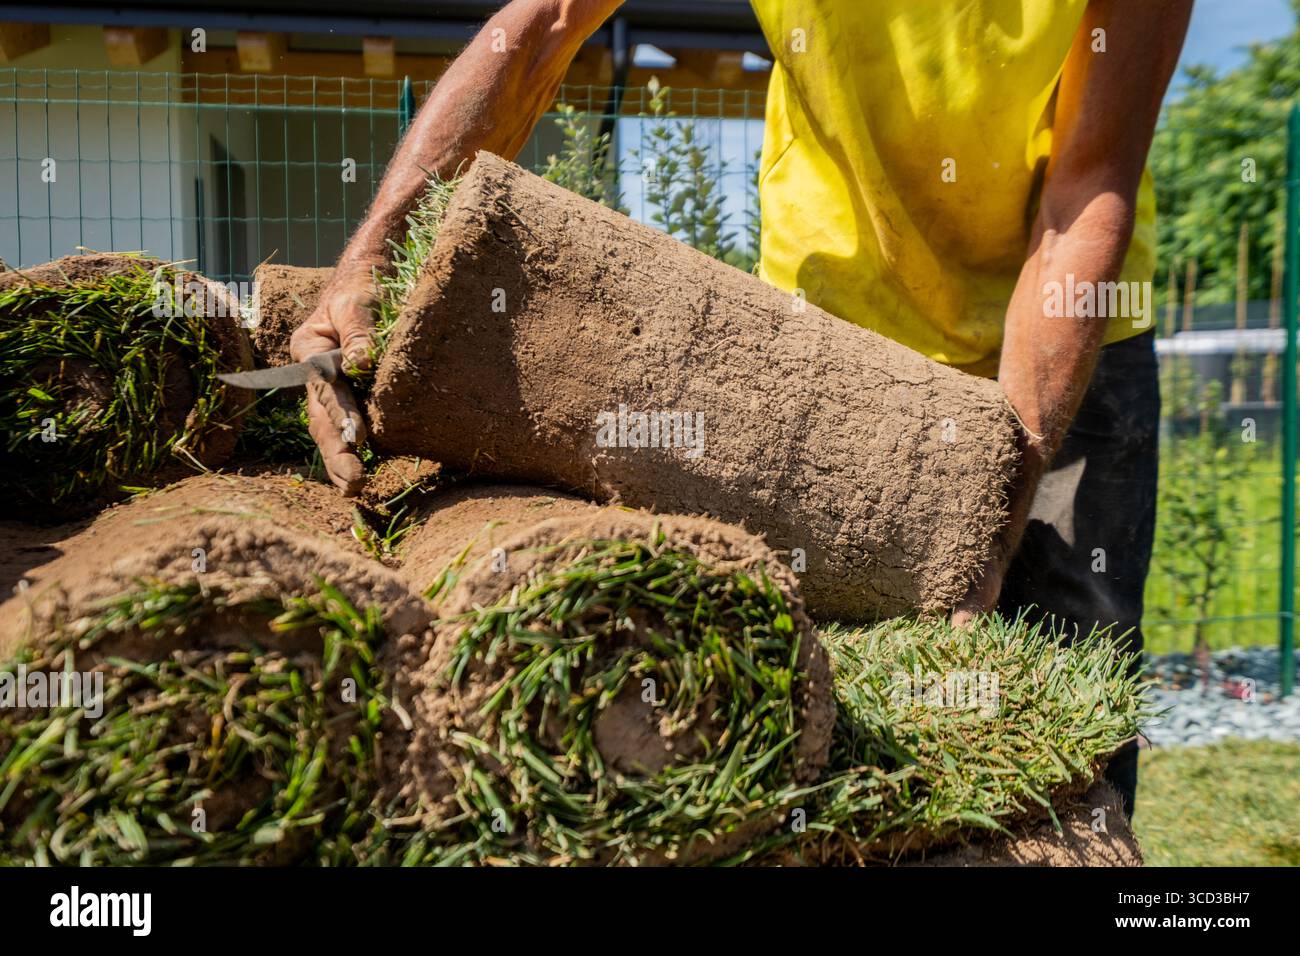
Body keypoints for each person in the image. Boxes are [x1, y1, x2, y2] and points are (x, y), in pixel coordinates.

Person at [290, 0, 1192, 816]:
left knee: (1074, 718)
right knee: (834, 717)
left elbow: (1087, 188)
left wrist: (998, 496)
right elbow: (545, 23)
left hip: (1068, 343)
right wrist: (374, 254)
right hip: (833, 345)